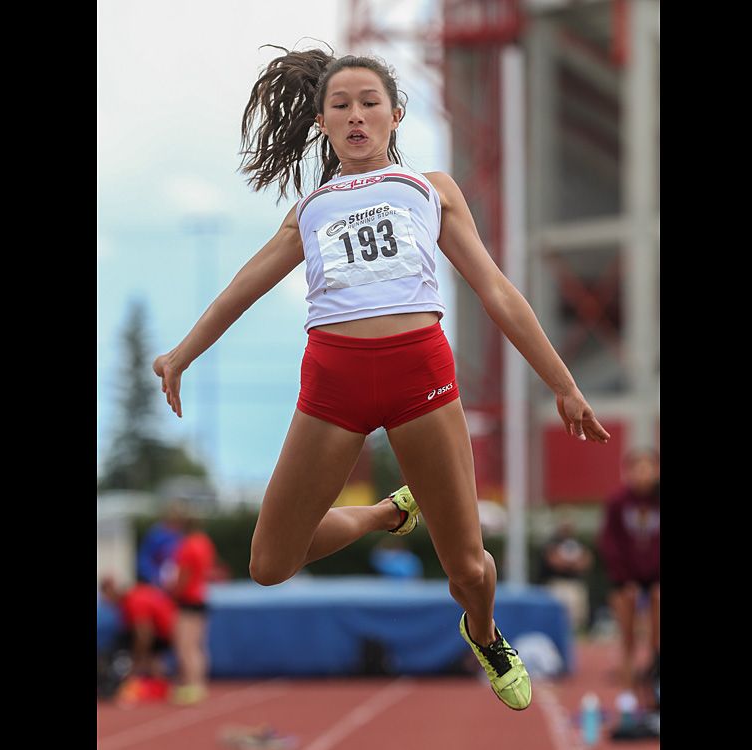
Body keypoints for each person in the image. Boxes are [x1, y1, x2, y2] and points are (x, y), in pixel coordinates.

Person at [152, 45, 610, 711]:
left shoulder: (431, 188)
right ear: (322, 121)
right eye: (341, 105)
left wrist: (563, 384)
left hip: (419, 376)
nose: (356, 115)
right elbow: (241, 289)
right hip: (332, 385)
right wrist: (182, 353)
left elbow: (498, 292)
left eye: (370, 103)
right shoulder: (310, 208)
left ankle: (482, 633)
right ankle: (382, 514)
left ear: (396, 115)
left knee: (471, 570)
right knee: (268, 564)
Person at [598, 448, 660, 703]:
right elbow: (609, 543)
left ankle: (654, 688)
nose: (643, 474)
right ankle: (628, 697)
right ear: (628, 472)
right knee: (628, 637)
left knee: (657, 636)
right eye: (637, 469)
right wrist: (624, 579)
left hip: (656, 576)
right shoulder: (618, 502)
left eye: (648, 468)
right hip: (625, 578)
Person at [167, 511, 217, 705]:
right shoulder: (205, 543)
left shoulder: (187, 547)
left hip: (188, 599)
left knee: (185, 646)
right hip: (201, 597)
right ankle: (199, 684)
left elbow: (183, 576)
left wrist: (174, 593)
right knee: (197, 646)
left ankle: (192, 685)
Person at [535, 518, 594, 633]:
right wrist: (572, 563)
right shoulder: (553, 542)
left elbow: (586, 560)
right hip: (558, 583)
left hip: (575, 583)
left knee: (577, 616)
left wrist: (571, 563)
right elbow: (553, 560)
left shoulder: (576, 543)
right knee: (559, 615)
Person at [136, 500, 185, 590]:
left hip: (176, 586)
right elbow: (143, 560)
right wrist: (155, 577)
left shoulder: (180, 535)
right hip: (158, 585)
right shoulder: (156, 534)